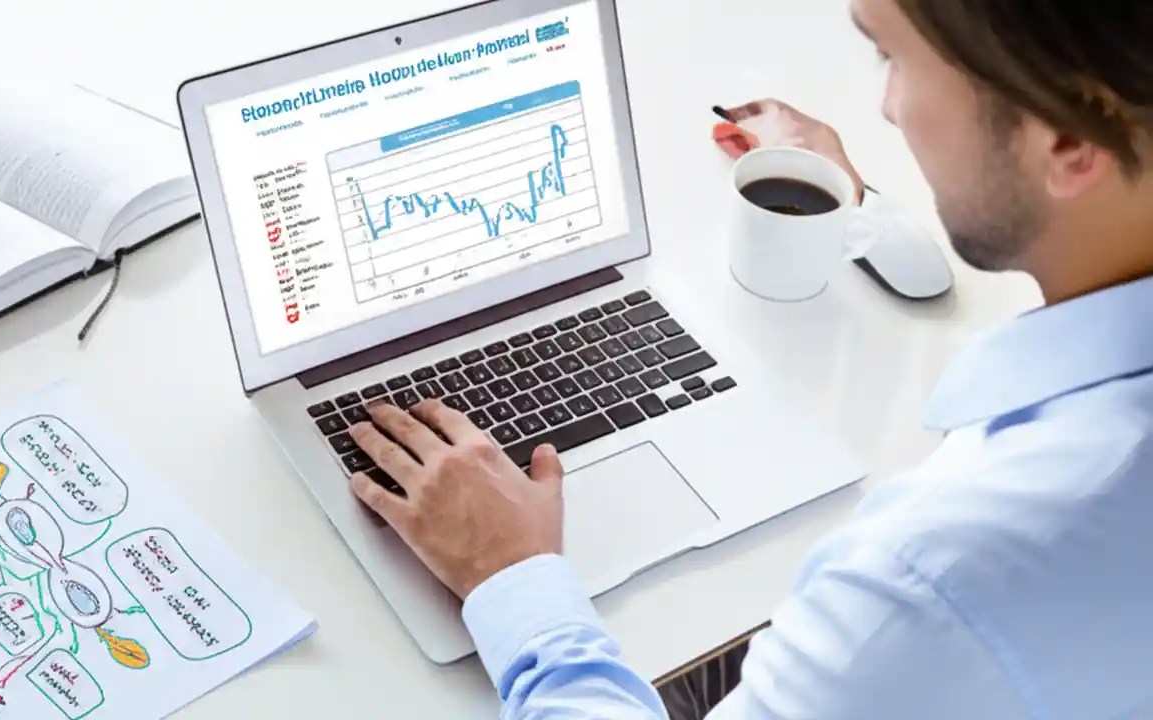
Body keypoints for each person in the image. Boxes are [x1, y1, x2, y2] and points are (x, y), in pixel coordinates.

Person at [347, 0, 1153, 716]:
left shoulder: (931, 587)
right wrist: (852, 205)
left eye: (892, 58)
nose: (886, 106)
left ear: (1070, 141)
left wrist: (511, 577)